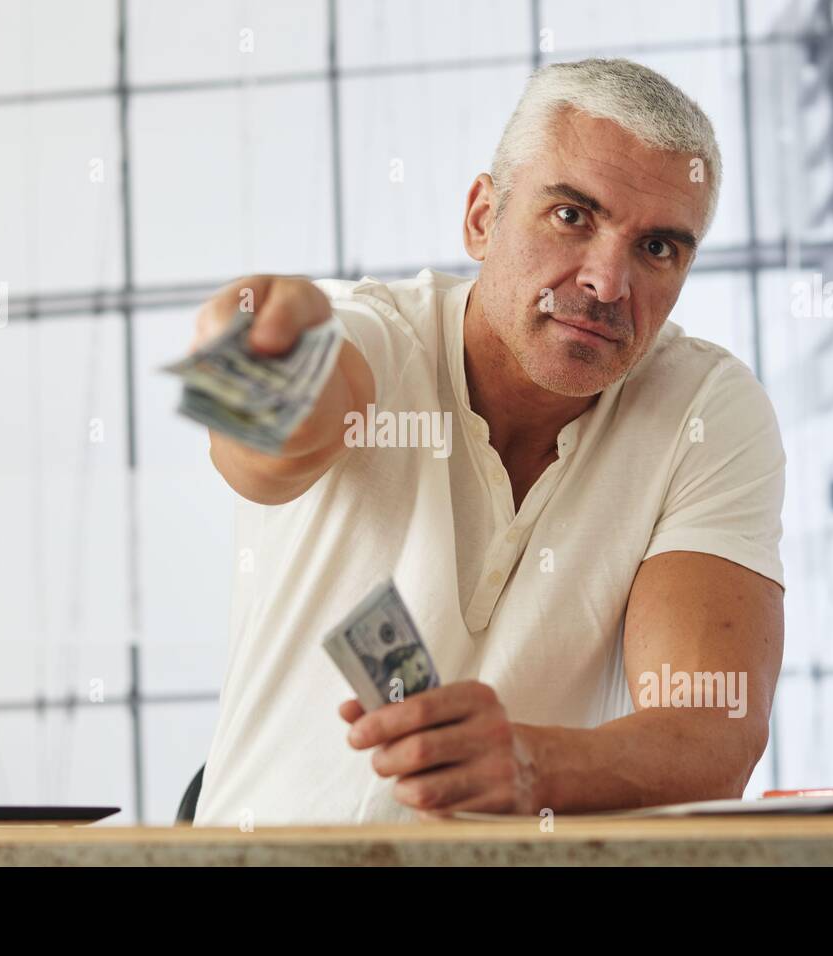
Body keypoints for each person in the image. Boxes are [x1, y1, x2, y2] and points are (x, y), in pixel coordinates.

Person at [190, 58, 785, 826]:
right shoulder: (373, 333)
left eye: (658, 249)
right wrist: (259, 372)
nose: (608, 283)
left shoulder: (706, 407)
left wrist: (533, 765)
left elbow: (710, 732)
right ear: (482, 217)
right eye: (572, 216)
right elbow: (267, 448)